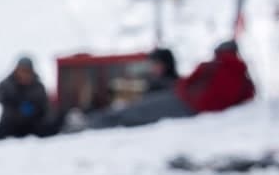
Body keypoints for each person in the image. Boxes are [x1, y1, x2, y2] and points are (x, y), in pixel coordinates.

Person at [83, 40, 255, 130]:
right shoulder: (243, 77)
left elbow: (190, 81)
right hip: (191, 106)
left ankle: (89, 124)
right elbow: (248, 95)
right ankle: (92, 122)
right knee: (134, 112)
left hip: (185, 101)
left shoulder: (213, 66)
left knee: (131, 112)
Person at [0, 57, 55, 140]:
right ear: (16, 71)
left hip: (32, 126)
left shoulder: (38, 88)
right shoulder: (7, 85)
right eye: (22, 71)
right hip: (9, 126)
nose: (24, 74)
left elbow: (48, 109)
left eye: (27, 71)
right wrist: (6, 97)